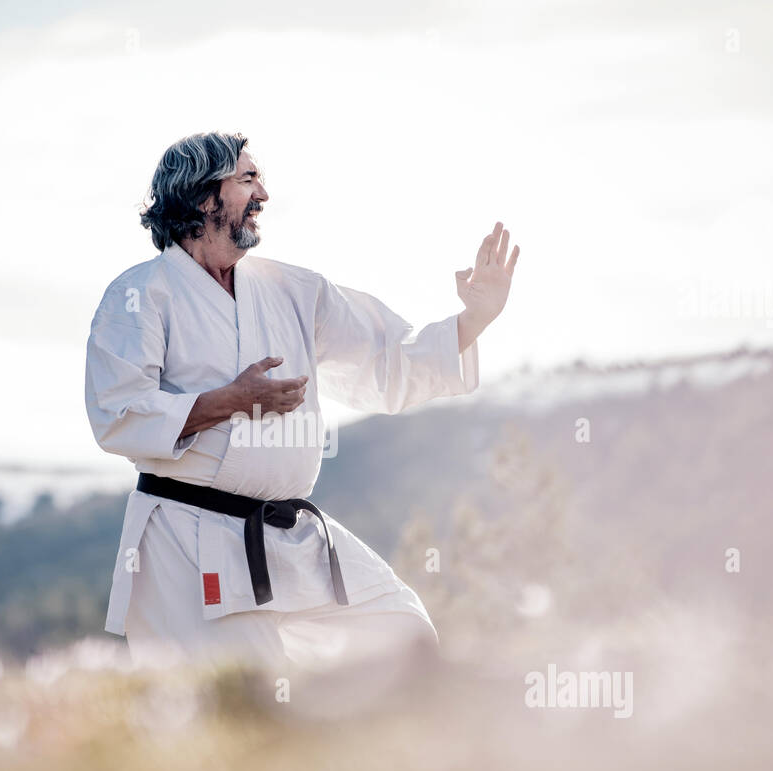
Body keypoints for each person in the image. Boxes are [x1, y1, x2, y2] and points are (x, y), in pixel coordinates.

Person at [83, 131, 520, 670]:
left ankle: (381, 753)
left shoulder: (292, 289)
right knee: (237, 709)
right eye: (246, 179)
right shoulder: (140, 294)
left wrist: (473, 319)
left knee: (400, 631)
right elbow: (119, 414)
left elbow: (385, 360)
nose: (263, 194)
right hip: (187, 542)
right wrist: (233, 400)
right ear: (202, 197)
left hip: (288, 535)